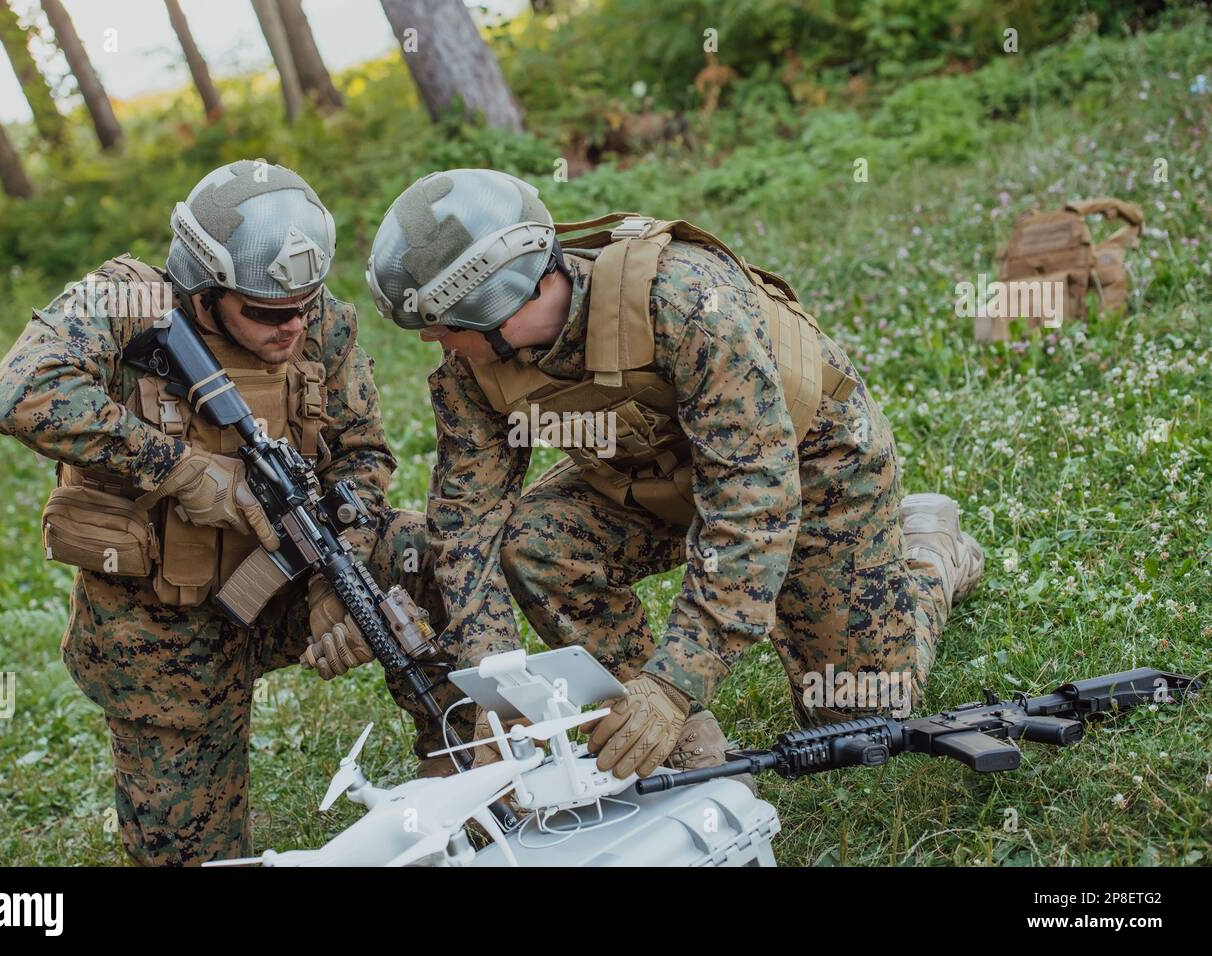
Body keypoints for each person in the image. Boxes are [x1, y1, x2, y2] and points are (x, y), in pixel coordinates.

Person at [365, 168, 985, 781]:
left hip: (810, 466)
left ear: (495, 306)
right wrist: (499, 690)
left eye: (439, 327)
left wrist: (676, 681)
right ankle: (666, 736)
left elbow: (752, 506)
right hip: (657, 477)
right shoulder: (469, 369)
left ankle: (930, 553)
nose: (432, 342)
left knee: (855, 718)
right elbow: (467, 525)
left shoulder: (685, 302)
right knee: (536, 543)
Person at [0, 160, 458, 864]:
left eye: (304, 305)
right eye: (268, 313)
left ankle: (461, 761)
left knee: (425, 553)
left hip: (288, 585)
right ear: (204, 290)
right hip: (162, 635)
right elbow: (22, 392)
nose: (293, 326)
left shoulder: (314, 320)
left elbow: (362, 453)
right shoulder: (125, 303)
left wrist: (338, 576)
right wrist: (178, 469)